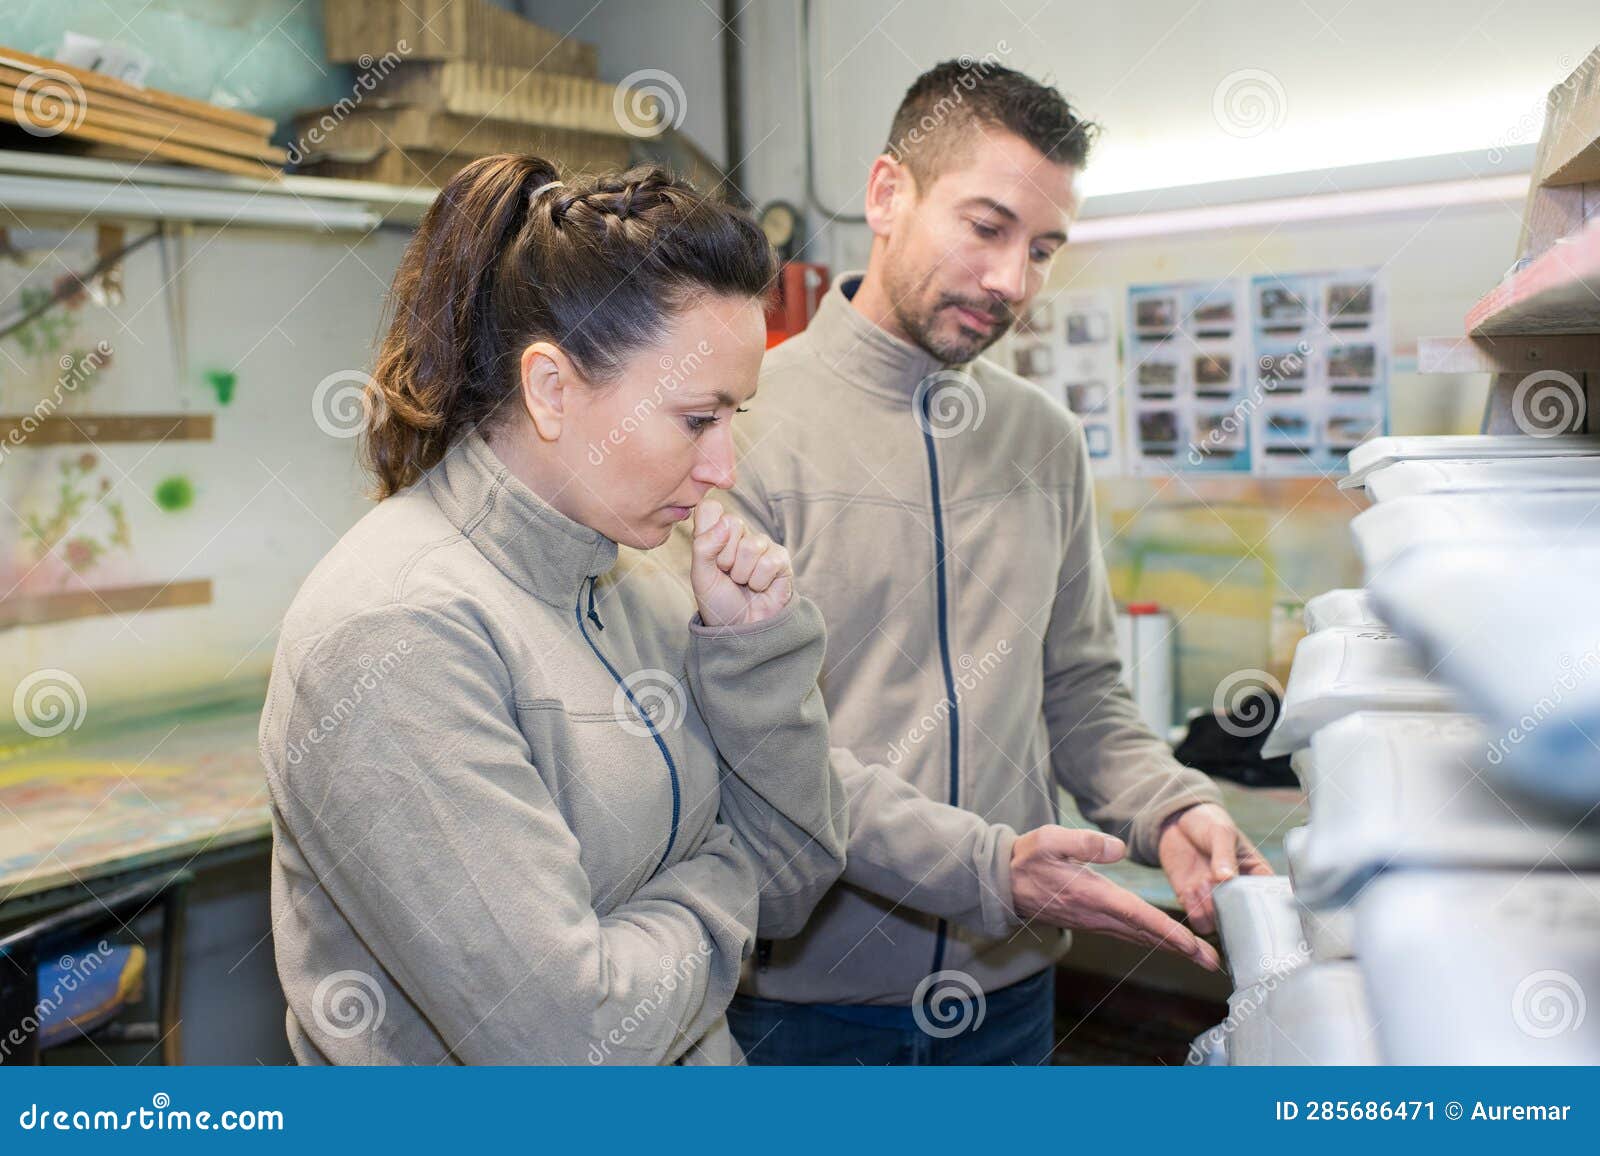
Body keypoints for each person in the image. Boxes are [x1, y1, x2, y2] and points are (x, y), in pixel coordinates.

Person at [695, 61, 1270, 1065]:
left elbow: (1080, 691)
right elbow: (760, 750)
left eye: (1042, 249)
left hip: (1008, 999)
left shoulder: (1043, 440)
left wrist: (1171, 807)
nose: (1013, 281)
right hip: (805, 1009)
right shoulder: (737, 430)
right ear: (887, 195)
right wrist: (988, 868)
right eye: (987, 227)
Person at [259, 155, 855, 1064]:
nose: (724, 468)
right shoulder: (394, 632)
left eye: (736, 416)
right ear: (550, 390)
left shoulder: (643, 580)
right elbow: (570, 1040)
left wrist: (752, 659)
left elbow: (799, 876)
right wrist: (732, 870)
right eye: (698, 419)